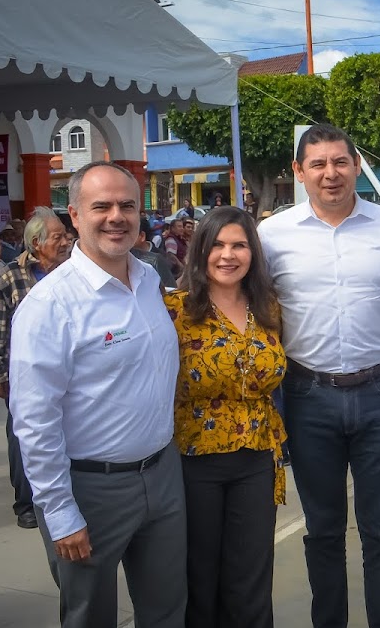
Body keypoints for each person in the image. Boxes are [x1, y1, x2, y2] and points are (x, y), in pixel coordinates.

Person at [257, 123, 380, 628]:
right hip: (306, 396)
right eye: (317, 164)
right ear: (299, 172)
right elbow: (251, 311)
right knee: (322, 530)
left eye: (340, 161)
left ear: (356, 165)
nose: (330, 173)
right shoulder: (271, 236)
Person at [10, 161, 186, 627]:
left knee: (168, 610)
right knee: (90, 616)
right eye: (101, 206)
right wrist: (60, 510)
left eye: (127, 205)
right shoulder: (49, 305)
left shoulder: (150, 281)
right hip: (90, 488)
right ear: (74, 215)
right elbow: (33, 418)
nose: (116, 217)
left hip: (163, 475)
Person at [165, 207, 286, 627]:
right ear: (200, 251)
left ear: (253, 252)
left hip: (257, 457)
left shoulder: (268, 307)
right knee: (201, 579)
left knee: (251, 581)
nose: (227, 255)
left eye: (238, 245)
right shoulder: (174, 310)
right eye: (217, 244)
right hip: (194, 461)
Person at [0, 207, 73, 530]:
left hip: (69, 374)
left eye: (67, 234)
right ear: (36, 242)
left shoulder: (75, 272)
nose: (67, 241)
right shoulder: (12, 276)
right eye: (58, 236)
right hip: (26, 378)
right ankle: (26, 503)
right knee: (24, 439)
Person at [132, 219, 176, 289]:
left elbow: (170, 288)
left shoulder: (159, 258)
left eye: (129, 233)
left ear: (142, 236)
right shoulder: (123, 258)